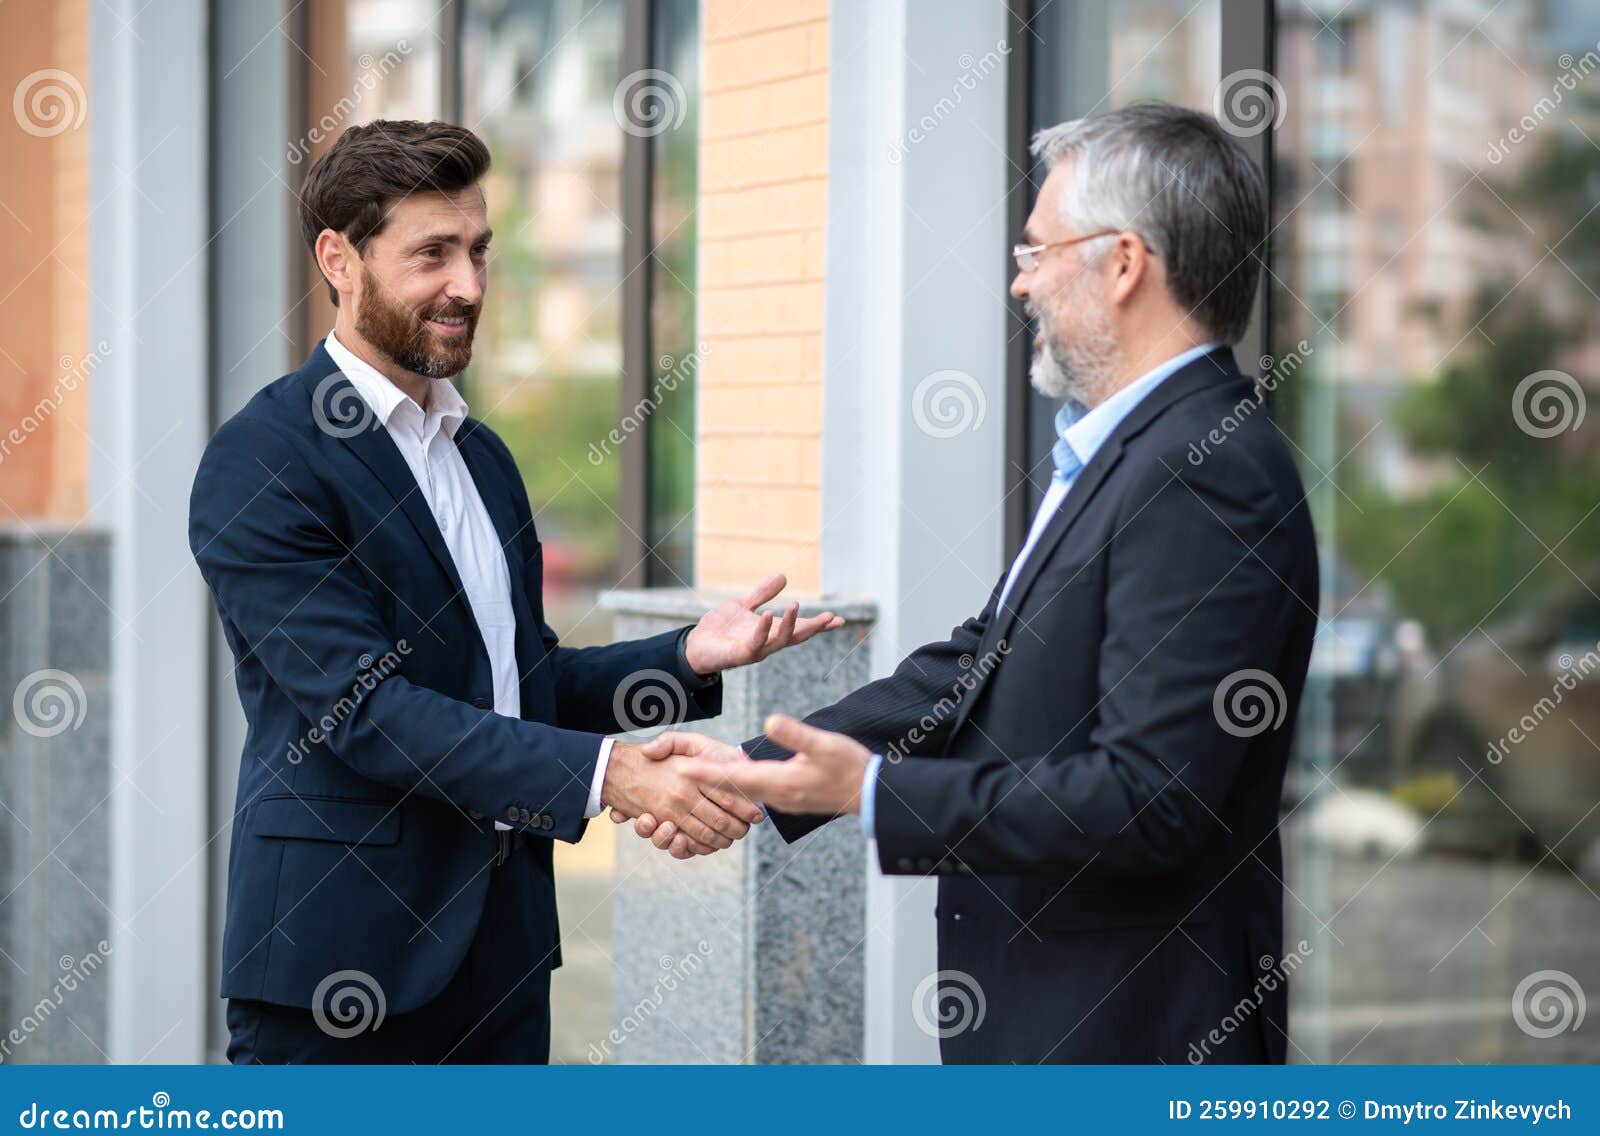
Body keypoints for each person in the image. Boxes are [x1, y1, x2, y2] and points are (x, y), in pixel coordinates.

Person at [619, 103, 1320, 1064]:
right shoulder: (1132, 451)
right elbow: (976, 665)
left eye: (1037, 251)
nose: (1019, 281)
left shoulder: (1203, 471)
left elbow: (1152, 799)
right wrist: (757, 769)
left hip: (1130, 1037)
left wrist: (875, 791)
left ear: (1123, 264)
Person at [189, 119, 841, 1063]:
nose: (469, 284)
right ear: (339, 259)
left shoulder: (481, 457)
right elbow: (366, 711)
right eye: (433, 254)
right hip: (341, 968)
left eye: (480, 250)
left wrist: (684, 654)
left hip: (505, 956)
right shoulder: (264, 459)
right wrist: (611, 773)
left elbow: (515, 683)